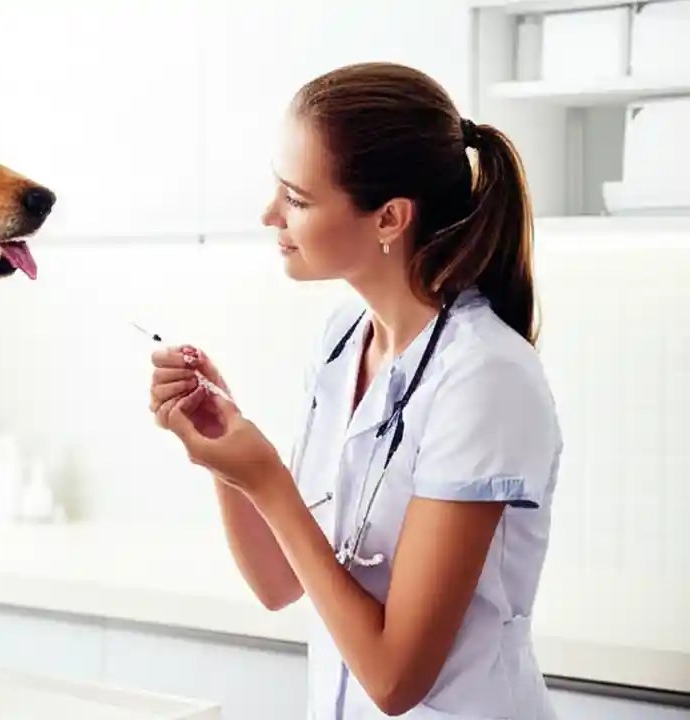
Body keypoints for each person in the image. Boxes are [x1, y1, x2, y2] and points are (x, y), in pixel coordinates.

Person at [149, 62, 562, 719]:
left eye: (298, 198)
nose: (269, 214)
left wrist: (266, 481)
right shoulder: (344, 340)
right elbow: (278, 583)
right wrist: (223, 451)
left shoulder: (485, 378)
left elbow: (395, 681)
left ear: (389, 218)